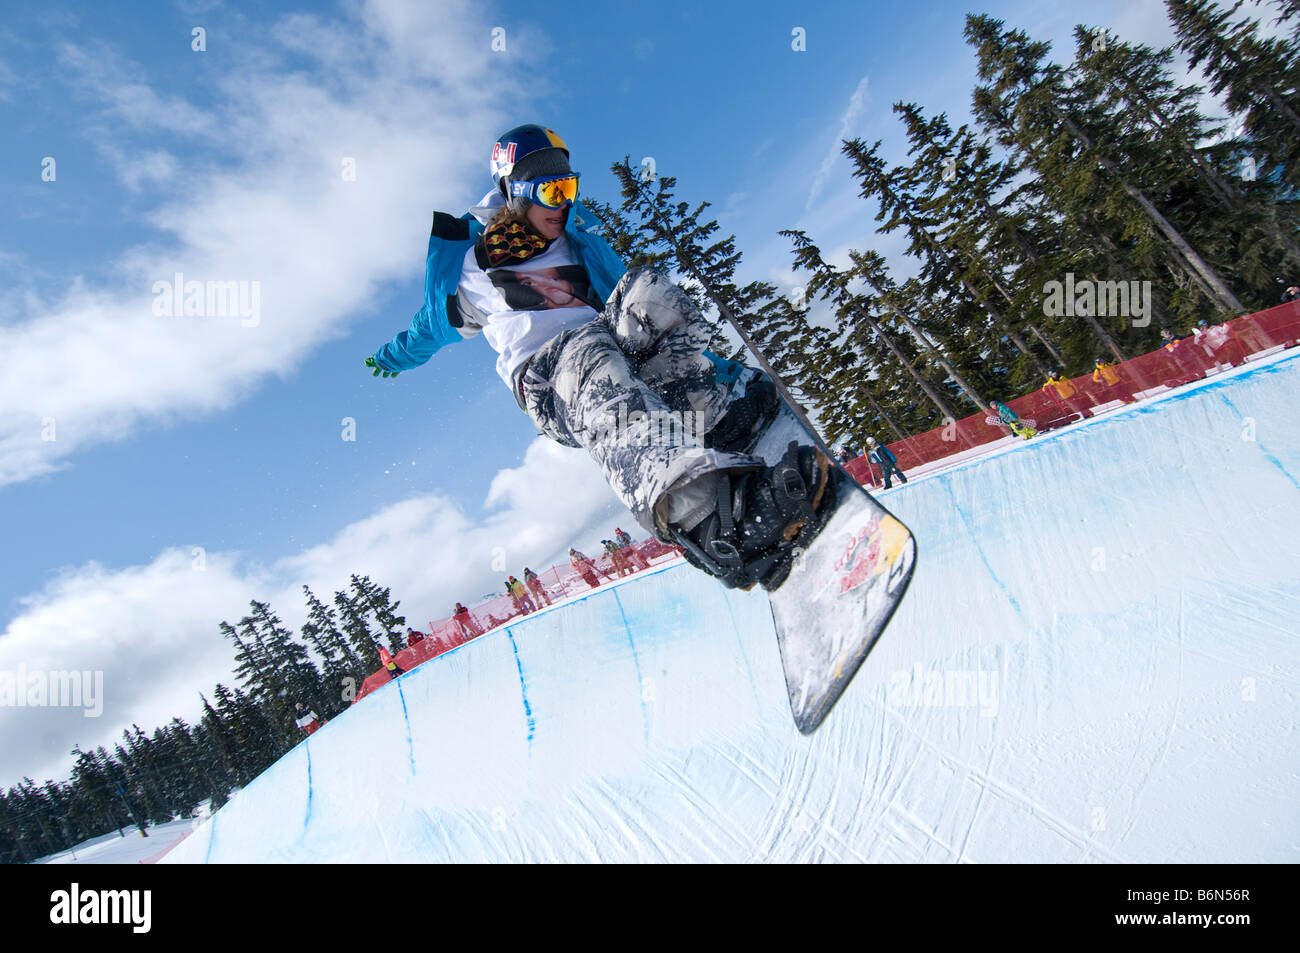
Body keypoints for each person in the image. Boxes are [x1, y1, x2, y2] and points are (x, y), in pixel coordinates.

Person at [365, 124, 833, 592]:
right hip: (553, 382)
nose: (564, 201)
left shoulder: (576, 237)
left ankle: (717, 415)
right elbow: (426, 329)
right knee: (586, 350)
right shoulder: (472, 267)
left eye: (570, 186)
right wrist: (392, 357)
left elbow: (645, 321)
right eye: (551, 190)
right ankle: (713, 524)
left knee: (648, 296)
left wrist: (712, 370)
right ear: (515, 193)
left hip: (612, 352)